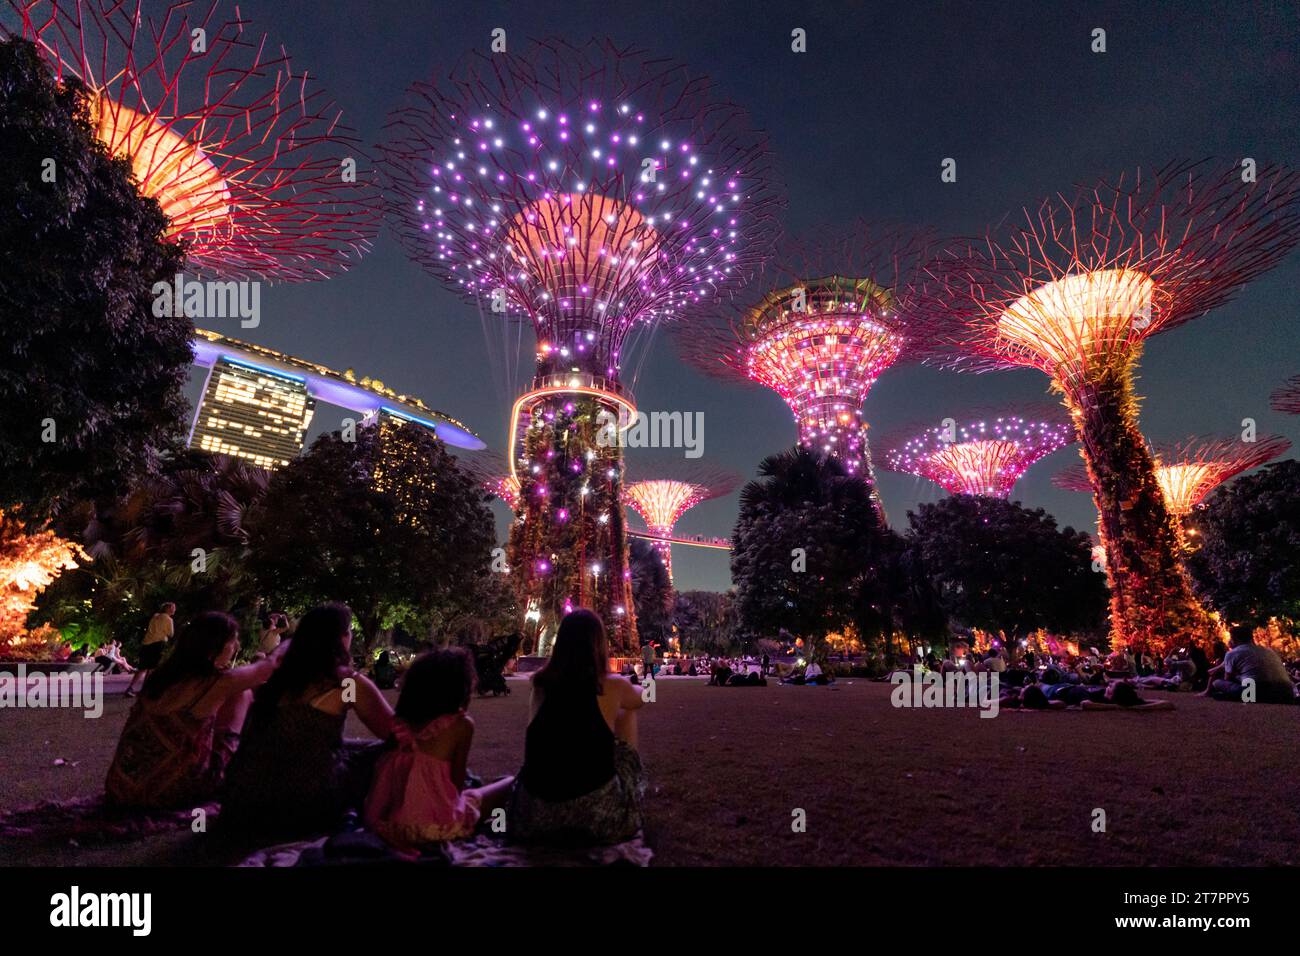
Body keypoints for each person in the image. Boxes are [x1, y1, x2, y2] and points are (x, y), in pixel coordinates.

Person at [221, 603, 395, 837]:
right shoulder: (347, 684)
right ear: (343, 638)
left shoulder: (276, 678)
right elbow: (394, 733)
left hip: (242, 802)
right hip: (303, 805)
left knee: (353, 748)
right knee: (389, 752)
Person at [105, 612, 287, 809]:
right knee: (243, 695)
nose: (238, 647)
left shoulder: (160, 677)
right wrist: (292, 642)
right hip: (165, 795)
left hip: (119, 788)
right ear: (213, 646)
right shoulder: (217, 683)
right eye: (233, 641)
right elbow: (269, 666)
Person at [508, 609, 646, 845]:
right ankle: (625, 795)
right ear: (598, 643)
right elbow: (641, 699)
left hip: (535, 818)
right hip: (596, 818)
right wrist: (637, 686)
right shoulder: (611, 684)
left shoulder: (540, 684)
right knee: (627, 709)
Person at [364, 648, 514, 848]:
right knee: (507, 784)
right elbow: (455, 785)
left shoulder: (400, 725)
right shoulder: (461, 725)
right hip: (435, 827)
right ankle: (496, 835)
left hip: (387, 826)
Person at [1204, 625, 1295, 704]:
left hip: (1256, 692)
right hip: (1285, 691)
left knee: (1217, 683)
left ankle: (1241, 697)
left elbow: (1228, 679)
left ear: (1234, 639)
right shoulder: (1269, 650)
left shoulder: (1232, 653)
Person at [125, 602, 175, 696]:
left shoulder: (155, 616)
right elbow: (171, 634)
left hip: (146, 643)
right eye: (173, 608)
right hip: (157, 644)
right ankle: (145, 689)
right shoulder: (169, 619)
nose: (174, 610)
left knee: (142, 668)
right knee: (152, 668)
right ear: (168, 609)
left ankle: (130, 688)